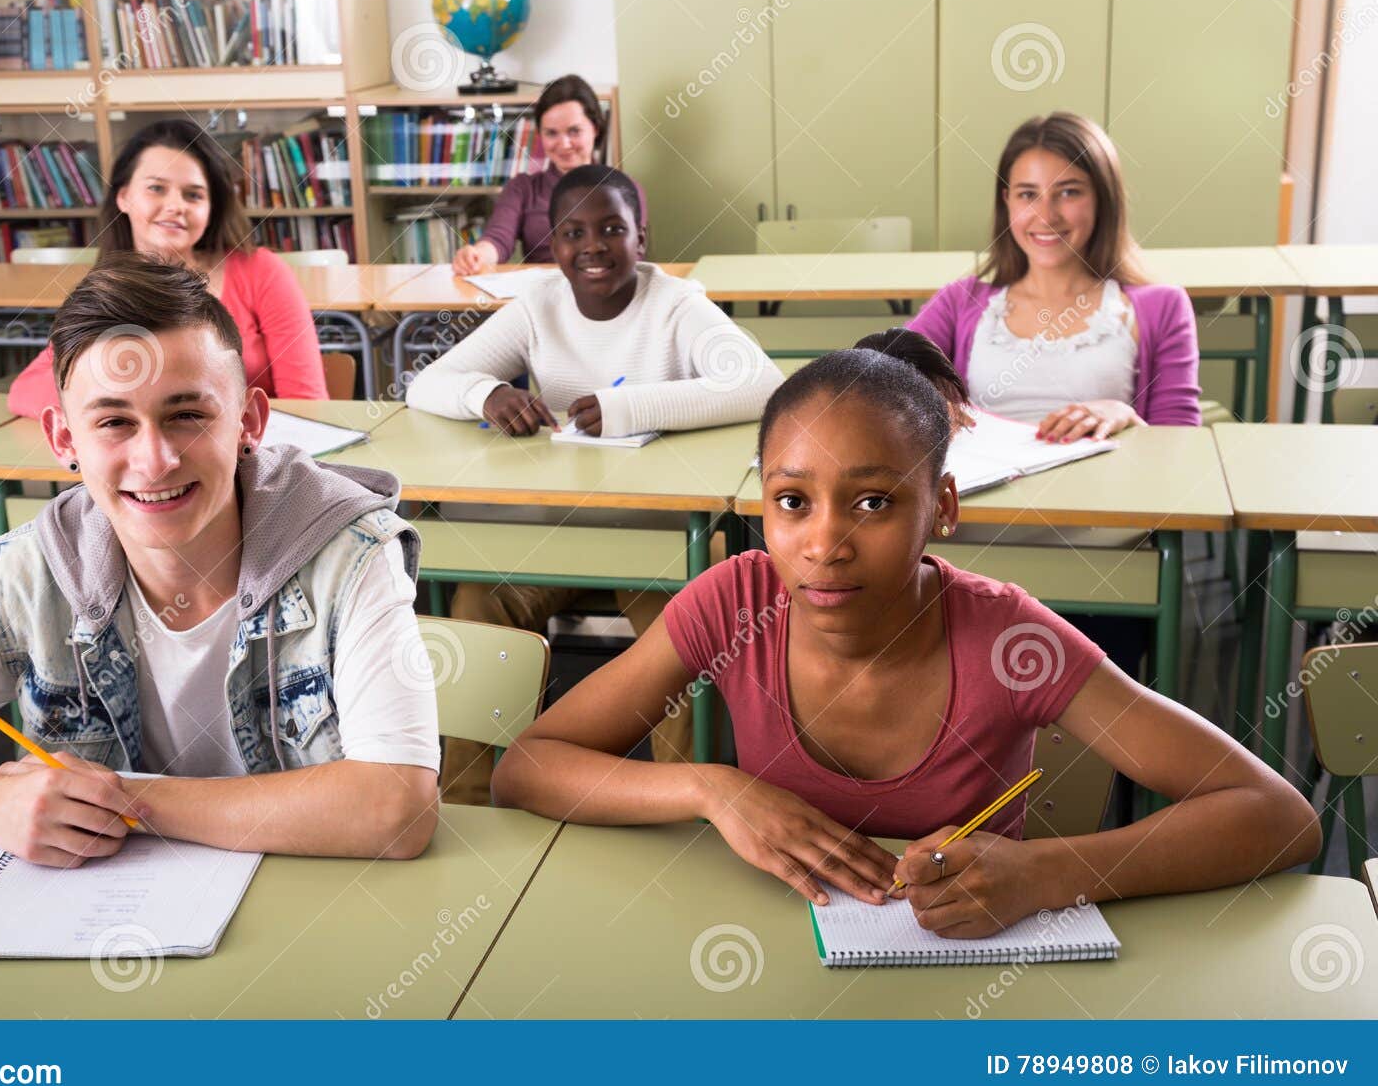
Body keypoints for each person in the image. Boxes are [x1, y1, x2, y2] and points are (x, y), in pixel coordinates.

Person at [492, 332, 1318, 938]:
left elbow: (1279, 817)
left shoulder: (1008, 639)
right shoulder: (735, 603)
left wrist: (1050, 871)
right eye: (792, 501)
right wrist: (714, 789)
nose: (824, 543)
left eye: (874, 502)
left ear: (943, 508)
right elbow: (526, 769)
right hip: (762, 963)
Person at [0, 253, 437, 866]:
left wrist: (122, 803)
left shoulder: (351, 554)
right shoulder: (26, 575)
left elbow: (396, 808)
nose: (155, 460)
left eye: (187, 415)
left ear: (250, 422)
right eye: (114, 423)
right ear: (64, 437)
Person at [409, 163, 781, 803]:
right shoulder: (537, 307)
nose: (593, 247)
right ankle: (472, 800)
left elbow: (760, 382)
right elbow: (426, 385)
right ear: (552, 246)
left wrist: (633, 407)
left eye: (612, 229)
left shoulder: (674, 304)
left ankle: (676, 809)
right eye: (573, 233)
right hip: (551, 532)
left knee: (683, 633)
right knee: (475, 602)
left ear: (643, 237)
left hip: (657, 540)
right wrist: (486, 392)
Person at [8, 118, 328, 419]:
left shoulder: (261, 271)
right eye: (156, 188)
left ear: (211, 208)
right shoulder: (107, 288)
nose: (176, 206)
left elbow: (307, 403)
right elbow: (27, 391)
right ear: (123, 197)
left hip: (252, 460)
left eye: (193, 195)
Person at [910, 112, 1200, 439]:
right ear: (1007, 202)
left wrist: (1127, 416)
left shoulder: (1163, 307)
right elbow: (875, 379)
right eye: (1027, 194)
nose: (1045, 216)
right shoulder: (960, 302)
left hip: (1106, 488)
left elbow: (1180, 447)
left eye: (1068, 192)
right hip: (983, 487)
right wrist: (927, 406)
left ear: (1102, 200)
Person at [452, 75, 647, 274]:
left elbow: (633, 257)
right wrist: (477, 255)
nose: (564, 144)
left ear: (595, 128)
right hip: (544, 297)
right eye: (551, 133)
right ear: (540, 135)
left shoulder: (623, 189)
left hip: (605, 292)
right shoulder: (523, 188)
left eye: (574, 131)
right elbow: (498, 239)